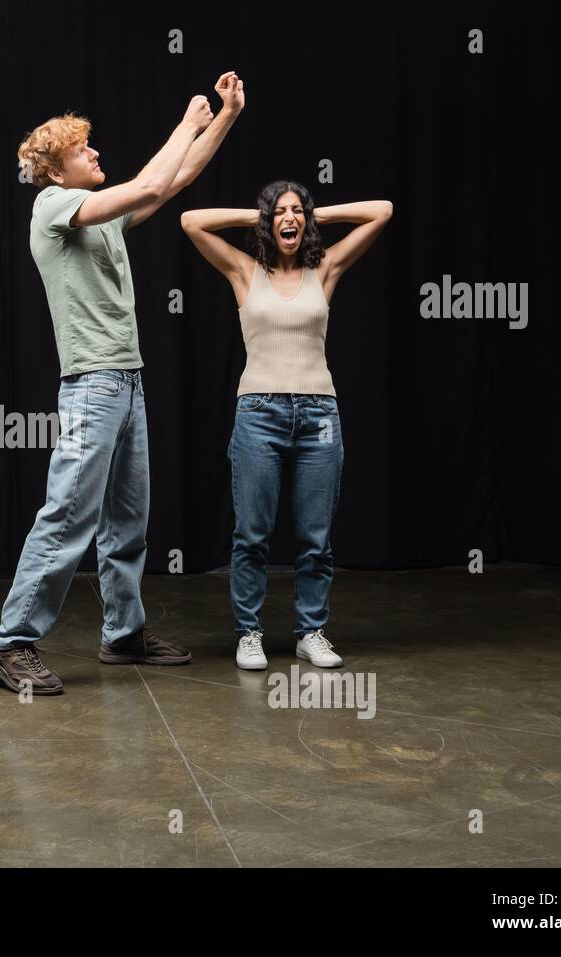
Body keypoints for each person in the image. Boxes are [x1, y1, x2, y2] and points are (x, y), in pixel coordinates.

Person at [0, 72, 246, 695]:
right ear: (54, 173)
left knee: (128, 519)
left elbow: (174, 181)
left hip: (127, 383)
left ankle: (122, 634)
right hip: (91, 388)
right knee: (68, 514)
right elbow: (153, 179)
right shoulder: (52, 209)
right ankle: (10, 642)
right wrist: (187, 120)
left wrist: (225, 117)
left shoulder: (100, 218)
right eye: (83, 150)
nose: (96, 153)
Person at [180, 183, 392, 670]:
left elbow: (381, 209)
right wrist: (261, 213)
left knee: (316, 537)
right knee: (252, 534)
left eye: (297, 212)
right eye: (280, 213)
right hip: (259, 413)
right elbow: (191, 220)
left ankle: (311, 632)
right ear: (267, 223)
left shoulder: (326, 268)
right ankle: (249, 633)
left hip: (320, 416)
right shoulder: (243, 270)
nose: (289, 219)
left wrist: (314, 211)